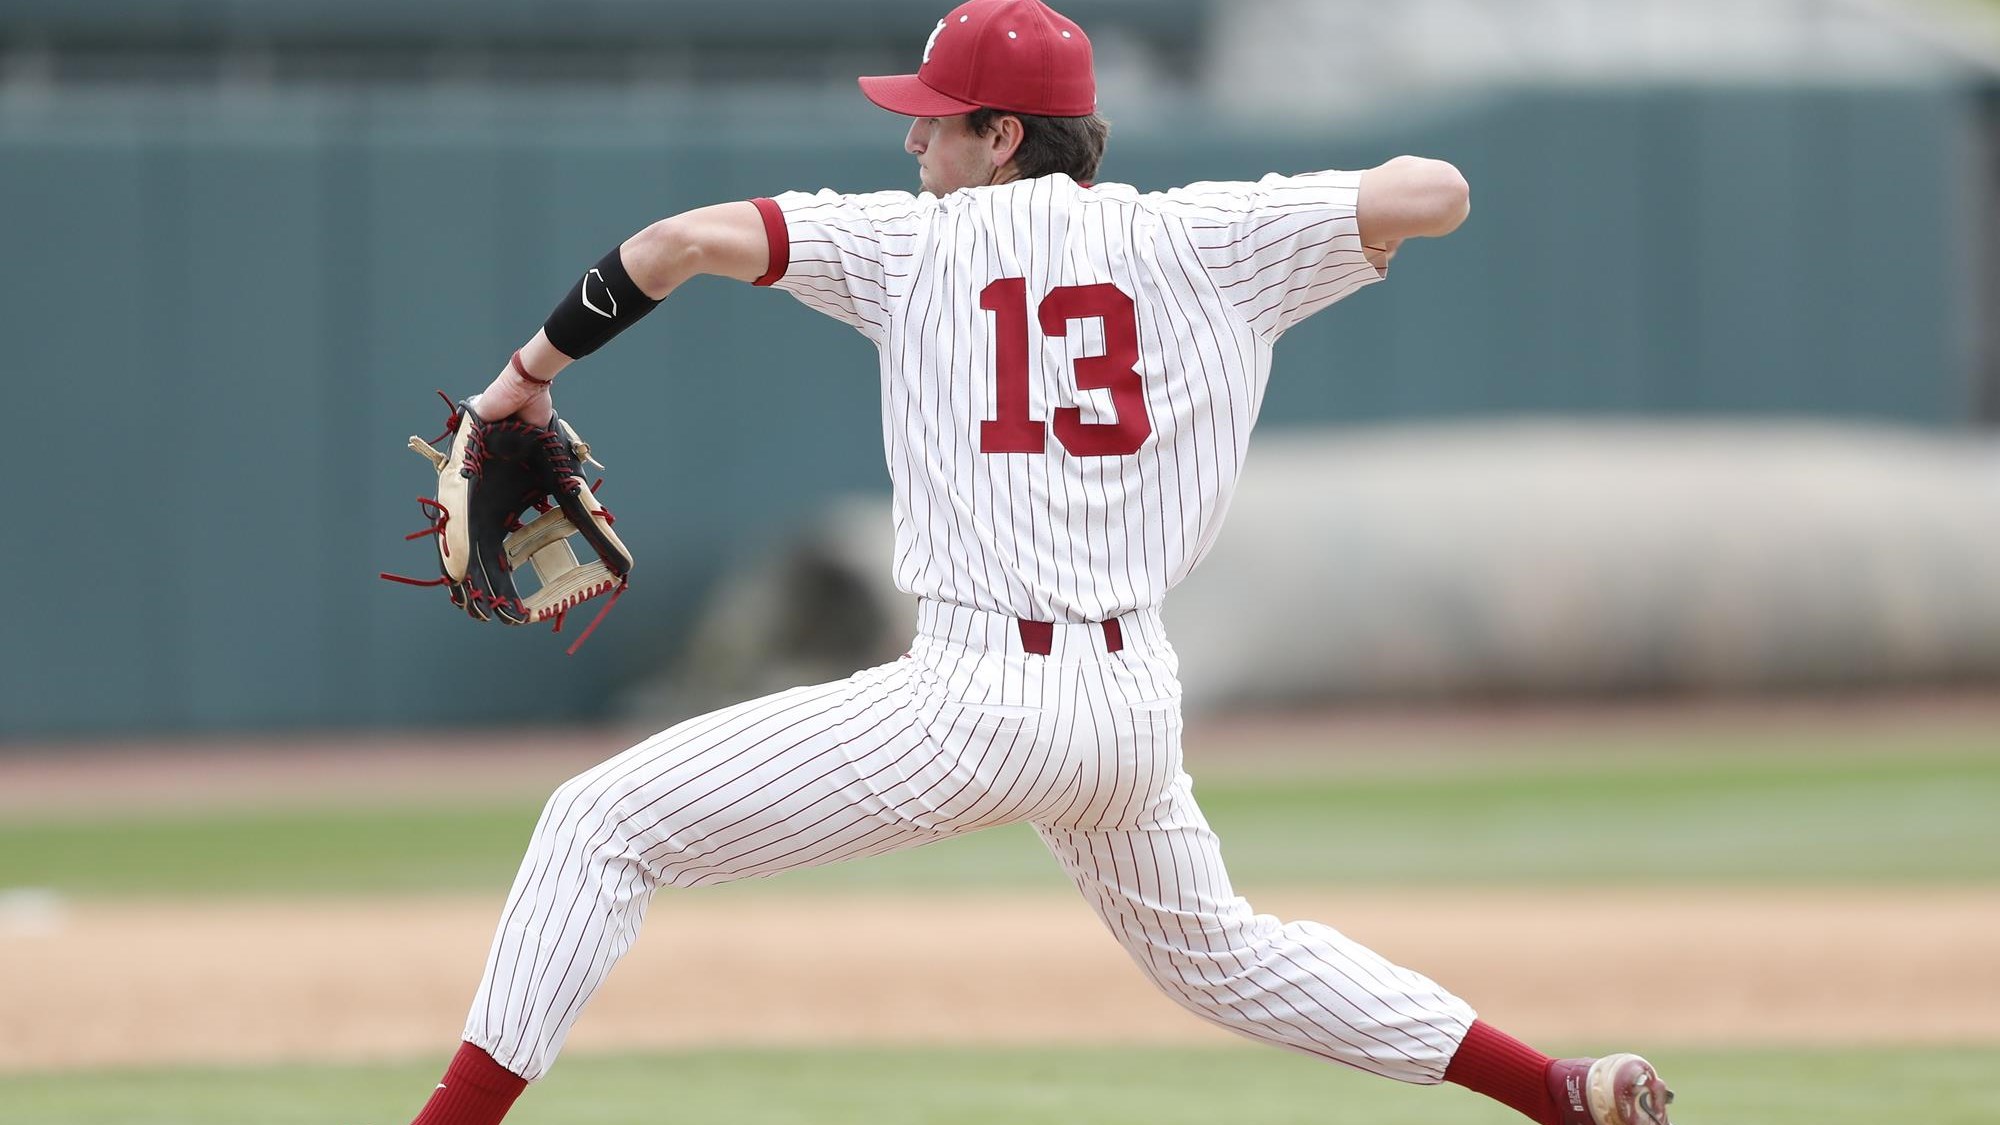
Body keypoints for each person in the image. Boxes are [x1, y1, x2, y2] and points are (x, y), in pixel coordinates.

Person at [404, 2, 1675, 1123]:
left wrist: (523, 384)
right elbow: (1435, 188)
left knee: (598, 824)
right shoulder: (1209, 238)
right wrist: (1321, 207)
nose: (911, 144)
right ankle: (1555, 1092)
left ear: (1001, 137)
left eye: (936, 121)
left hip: (972, 697)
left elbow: (672, 243)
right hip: (1127, 709)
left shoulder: (904, 247)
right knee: (1224, 957)